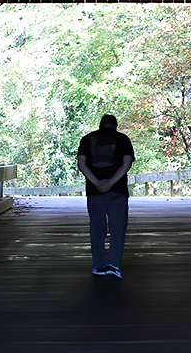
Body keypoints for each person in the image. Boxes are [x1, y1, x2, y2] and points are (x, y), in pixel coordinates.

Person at [77, 114, 134, 279]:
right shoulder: (123, 139)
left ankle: (99, 265)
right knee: (117, 229)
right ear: (115, 125)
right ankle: (114, 265)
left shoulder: (87, 139)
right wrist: (111, 182)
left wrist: (97, 182)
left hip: (95, 192)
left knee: (97, 228)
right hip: (117, 191)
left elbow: (82, 164)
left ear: (100, 125)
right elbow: (127, 162)